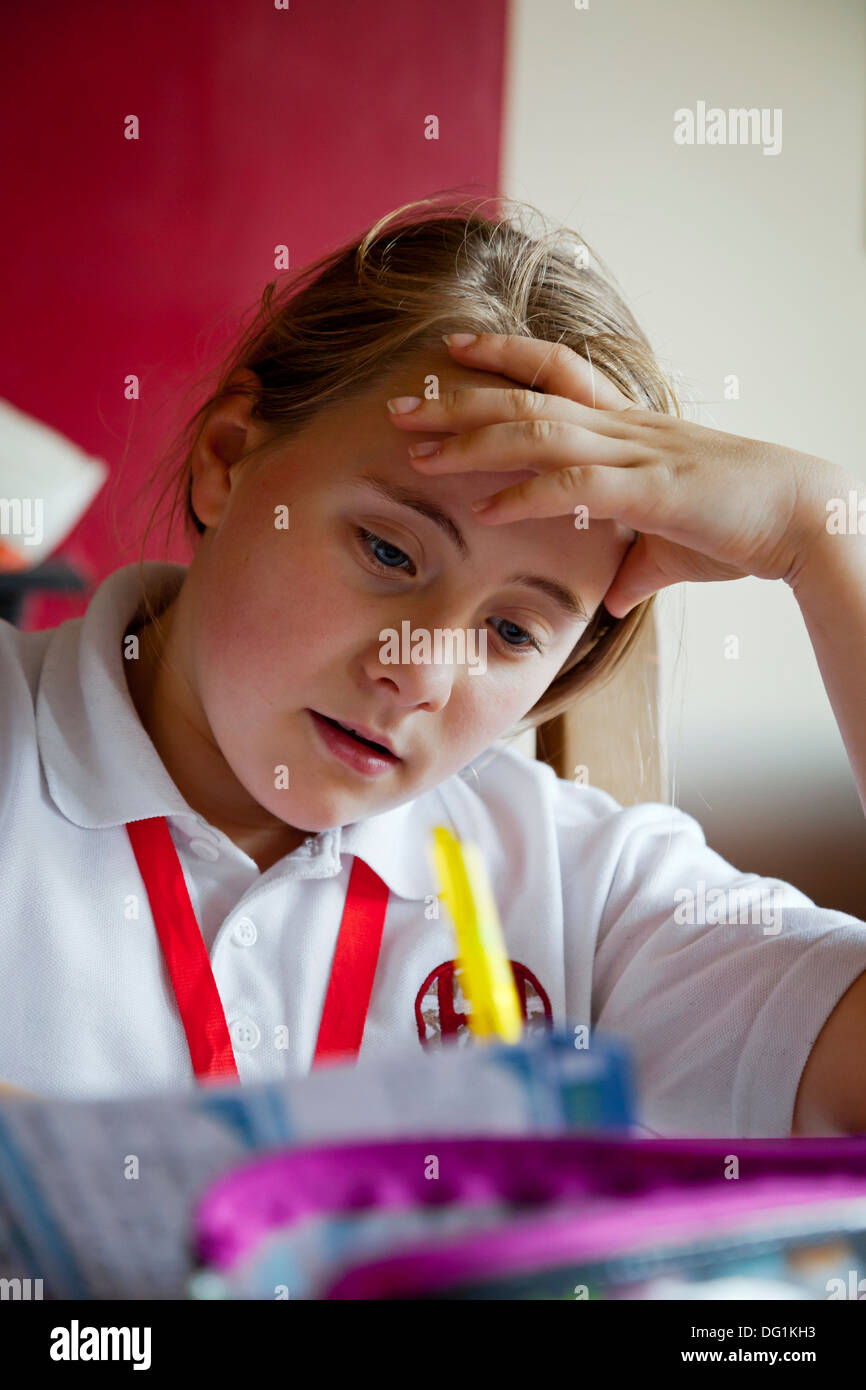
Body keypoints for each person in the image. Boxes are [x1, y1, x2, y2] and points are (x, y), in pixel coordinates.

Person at [1, 196, 864, 1136]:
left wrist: (819, 535)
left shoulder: (587, 887)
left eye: (512, 632)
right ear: (228, 457)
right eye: (388, 552)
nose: (421, 675)